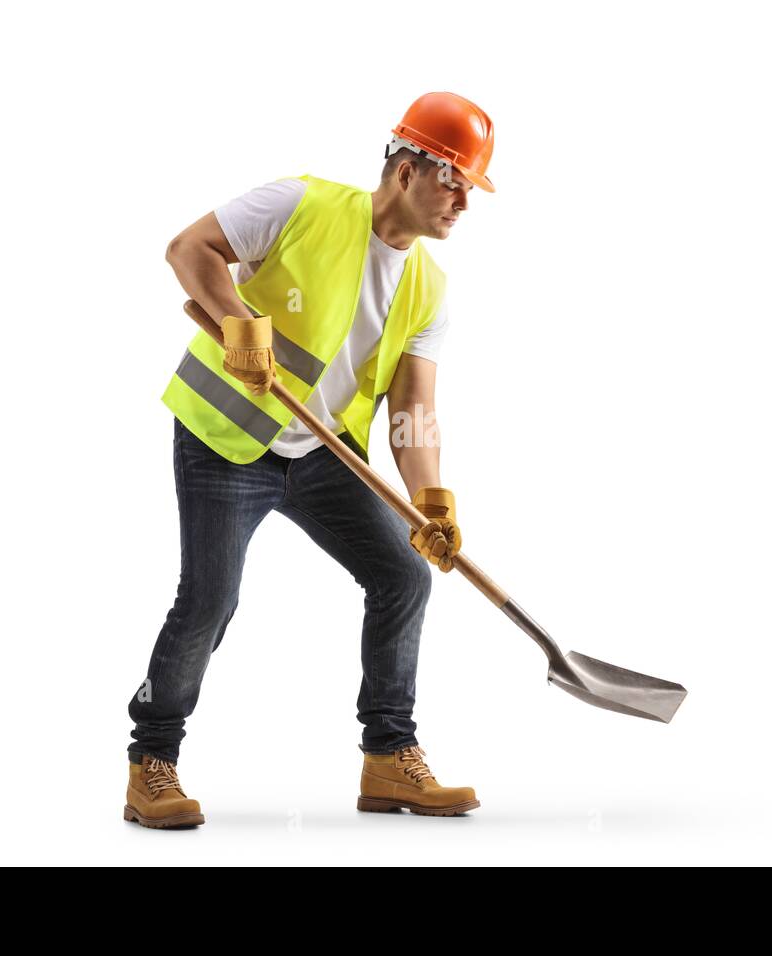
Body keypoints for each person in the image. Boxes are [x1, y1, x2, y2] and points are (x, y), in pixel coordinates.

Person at [122, 92, 496, 828]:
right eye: (453, 178)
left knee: (402, 574)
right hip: (226, 441)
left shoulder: (429, 290)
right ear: (405, 168)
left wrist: (433, 503)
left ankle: (390, 757)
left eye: (470, 186)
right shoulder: (300, 203)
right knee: (210, 599)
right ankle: (152, 762)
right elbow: (186, 249)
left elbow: (412, 410)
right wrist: (237, 323)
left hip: (326, 455)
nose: (463, 200)